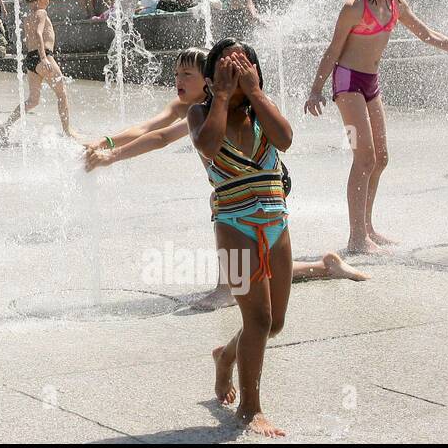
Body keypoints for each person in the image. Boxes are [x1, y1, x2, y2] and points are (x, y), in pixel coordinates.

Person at [83, 47, 365, 305]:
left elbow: (161, 137)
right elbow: (148, 128)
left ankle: (225, 288)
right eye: (176, 74)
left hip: (262, 179)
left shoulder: (210, 107)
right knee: (261, 269)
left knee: (220, 207)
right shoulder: (185, 106)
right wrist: (107, 143)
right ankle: (326, 265)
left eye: (187, 74)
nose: (179, 80)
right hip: (239, 182)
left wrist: (114, 156)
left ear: (210, 78)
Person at [305, 0, 448, 254]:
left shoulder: (396, 5)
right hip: (347, 83)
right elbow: (333, 50)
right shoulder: (354, 7)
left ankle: (368, 227)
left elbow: (428, 35)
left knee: (381, 158)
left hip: (370, 82)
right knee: (364, 158)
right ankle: (356, 239)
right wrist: (315, 89)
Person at [189, 39, 293, 437]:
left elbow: (284, 139)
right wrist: (222, 96)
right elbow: (210, 147)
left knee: (275, 323)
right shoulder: (200, 113)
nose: (235, 72)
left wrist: (253, 91)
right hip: (232, 224)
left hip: (276, 221)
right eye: (226, 68)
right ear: (212, 78)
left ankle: (225, 356)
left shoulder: (259, 108)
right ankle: (250, 409)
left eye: (243, 66)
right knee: (259, 318)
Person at [0, 0, 76, 141]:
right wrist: (44, 58)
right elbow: (39, 34)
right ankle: (68, 131)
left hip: (31, 60)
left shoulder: (28, 17)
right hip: (43, 57)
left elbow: (30, 38)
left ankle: (6, 126)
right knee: (62, 94)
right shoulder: (41, 12)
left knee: (33, 100)